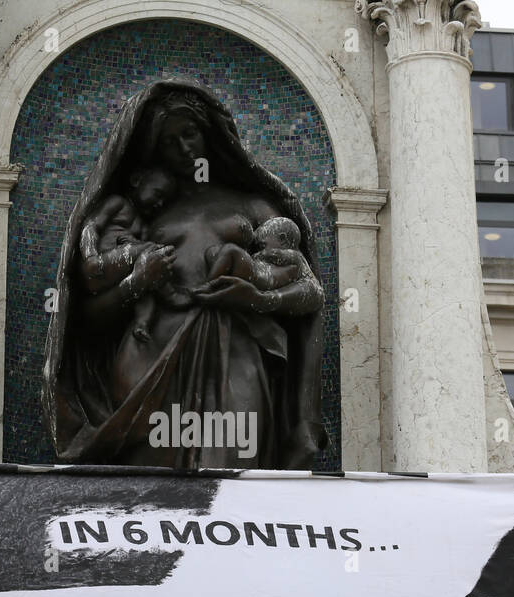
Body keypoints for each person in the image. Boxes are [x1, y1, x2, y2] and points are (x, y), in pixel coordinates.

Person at [43, 79, 327, 468]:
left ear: (209, 135)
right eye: (167, 142)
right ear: (149, 153)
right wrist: (136, 283)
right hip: (149, 355)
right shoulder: (138, 215)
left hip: (236, 346)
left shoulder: (256, 205)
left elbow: (311, 292)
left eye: (190, 134)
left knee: (234, 468)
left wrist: (260, 299)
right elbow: (85, 321)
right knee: (151, 491)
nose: (184, 150)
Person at [77, 167, 177, 343]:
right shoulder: (118, 203)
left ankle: (142, 323)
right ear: (137, 179)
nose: (160, 203)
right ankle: (172, 294)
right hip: (102, 263)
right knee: (154, 250)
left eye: (164, 201)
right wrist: (89, 254)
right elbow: (92, 225)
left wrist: (135, 245)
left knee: (147, 287)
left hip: (120, 277)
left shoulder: (145, 227)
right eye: (158, 193)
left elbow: (139, 255)